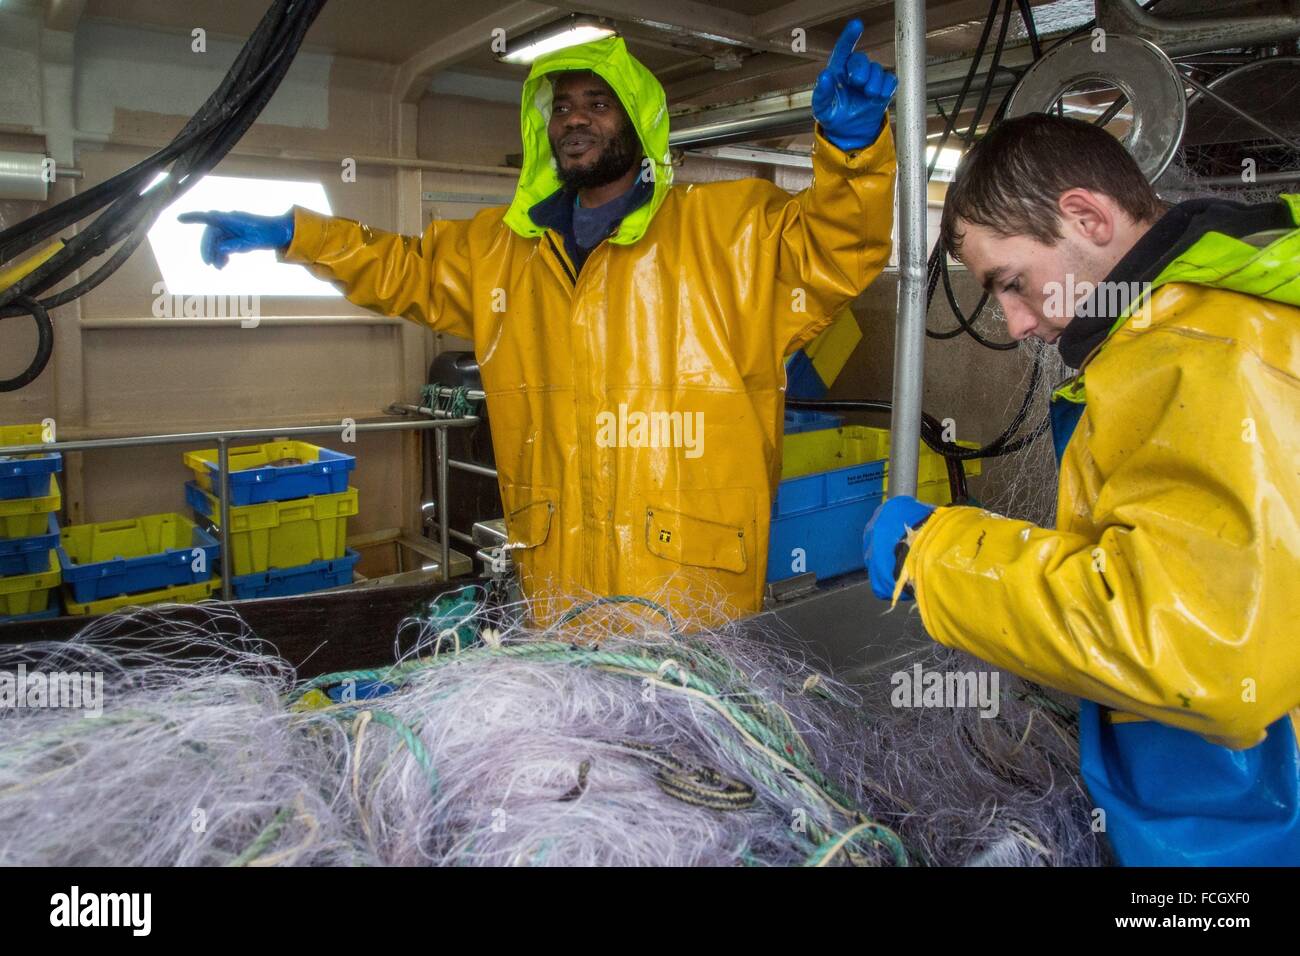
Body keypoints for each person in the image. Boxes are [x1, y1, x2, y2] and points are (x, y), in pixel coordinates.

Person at [181, 22, 897, 628]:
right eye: (560, 107)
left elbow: (835, 247)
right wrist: (295, 236)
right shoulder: (503, 251)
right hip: (556, 590)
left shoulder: (729, 231)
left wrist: (854, 151)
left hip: (692, 599)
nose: (575, 119)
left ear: (638, 121)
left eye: (596, 103)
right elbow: (401, 269)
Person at [863, 112, 1300, 865]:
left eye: (1015, 284)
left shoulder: (1206, 357)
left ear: (1088, 217)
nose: (1015, 323)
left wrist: (934, 551)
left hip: (1255, 824)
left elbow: (1192, 645)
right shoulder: (1209, 327)